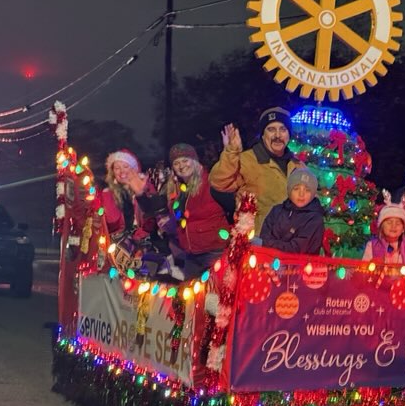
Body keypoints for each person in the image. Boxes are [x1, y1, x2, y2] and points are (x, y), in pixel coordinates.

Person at [139, 143, 230, 278]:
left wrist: (230, 152)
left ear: (194, 160)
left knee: (215, 295)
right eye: (176, 163)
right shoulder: (180, 189)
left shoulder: (211, 181)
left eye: (185, 160)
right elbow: (156, 209)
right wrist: (140, 193)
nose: (181, 166)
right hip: (191, 255)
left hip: (214, 253)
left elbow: (231, 199)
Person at [209, 107, 304, 235]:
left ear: (289, 134)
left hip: (292, 242)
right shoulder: (247, 160)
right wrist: (231, 152)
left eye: (283, 129)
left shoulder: (298, 165)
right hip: (258, 243)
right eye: (271, 129)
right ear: (263, 135)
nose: (277, 135)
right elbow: (219, 183)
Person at [259, 168, 325, 254]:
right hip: (269, 261)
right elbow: (264, 237)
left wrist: (267, 244)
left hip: (300, 265)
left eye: (307, 190)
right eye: (296, 188)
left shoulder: (315, 219)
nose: (301, 194)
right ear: (290, 190)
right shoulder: (277, 211)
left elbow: (296, 249)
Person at [101, 149, 157, 240]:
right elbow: (107, 225)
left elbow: (153, 217)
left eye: (125, 166)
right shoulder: (107, 194)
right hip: (117, 244)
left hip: (145, 242)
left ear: (134, 169)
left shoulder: (146, 187)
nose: (122, 171)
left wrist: (140, 194)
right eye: (117, 168)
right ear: (113, 173)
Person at [362, 195, 405, 264]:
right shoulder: (372, 246)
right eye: (389, 222)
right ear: (381, 226)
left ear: (403, 229)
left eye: (398, 223)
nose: (393, 226)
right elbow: (364, 270)